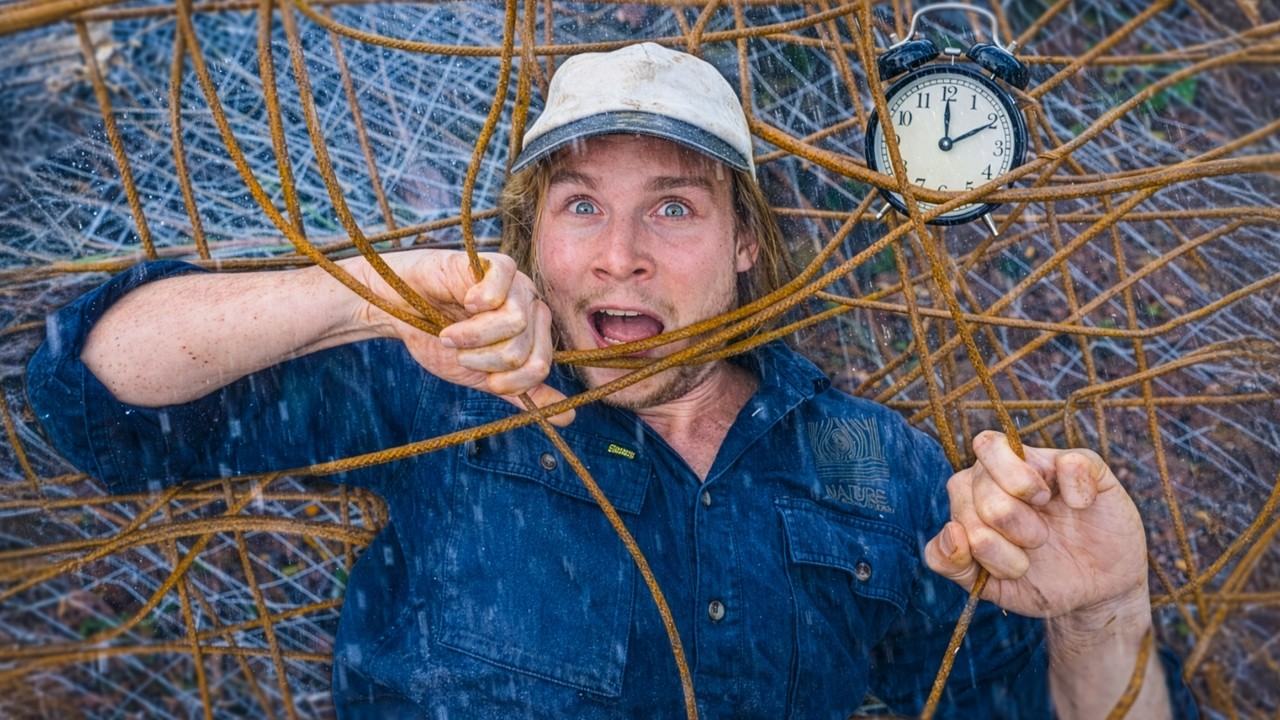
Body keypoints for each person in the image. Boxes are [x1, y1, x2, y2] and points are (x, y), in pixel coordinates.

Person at [27, 43, 1195, 718]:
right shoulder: (442, 393)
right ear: (533, 238)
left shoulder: (874, 469)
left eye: (671, 208)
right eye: (579, 203)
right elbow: (94, 398)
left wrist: (1103, 616)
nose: (618, 254)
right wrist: (352, 295)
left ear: (745, 242)